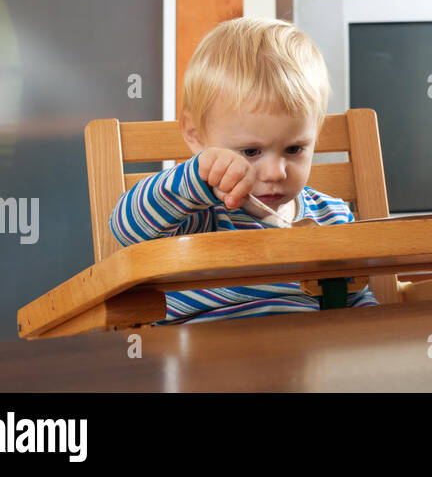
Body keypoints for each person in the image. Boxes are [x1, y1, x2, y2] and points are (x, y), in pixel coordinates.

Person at [110, 17, 377, 321]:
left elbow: (356, 298)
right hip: (205, 362)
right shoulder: (198, 214)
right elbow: (126, 228)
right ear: (195, 136)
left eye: (294, 149)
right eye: (250, 152)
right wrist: (194, 178)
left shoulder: (333, 217)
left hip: (310, 360)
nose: (276, 172)